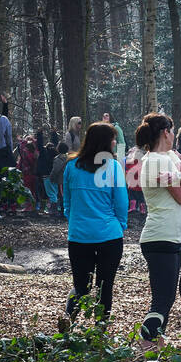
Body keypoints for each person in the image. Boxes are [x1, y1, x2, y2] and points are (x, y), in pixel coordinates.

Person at [134, 112, 181, 349]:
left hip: (164, 236)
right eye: (172, 130)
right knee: (163, 299)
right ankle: (145, 343)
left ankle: (154, 347)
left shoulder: (155, 158)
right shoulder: (160, 161)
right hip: (162, 237)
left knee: (164, 298)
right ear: (166, 133)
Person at [61, 122, 128, 321]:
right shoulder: (113, 167)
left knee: (80, 286)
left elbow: (67, 201)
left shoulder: (71, 166)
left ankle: (68, 321)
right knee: (105, 287)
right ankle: (100, 334)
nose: (115, 142)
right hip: (109, 236)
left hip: (79, 236)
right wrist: (120, 226)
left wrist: (74, 220)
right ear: (105, 142)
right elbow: (121, 203)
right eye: (113, 139)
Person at [36, 132, 56, 214]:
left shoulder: (44, 153)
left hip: (45, 175)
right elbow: (55, 143)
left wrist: (39, 134)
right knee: (53, 191)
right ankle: (51, 208)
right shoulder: (55, 154)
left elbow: (39, 145)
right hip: (53, 175)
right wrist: (54, 134)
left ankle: (49, 208)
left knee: (46, 192)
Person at [48, 142, 69, 217]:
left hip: (61, 179)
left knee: (62, 195)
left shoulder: (58, 158)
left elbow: (55, 169)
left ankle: (63, 211)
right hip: (68, 179)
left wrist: (51, 177)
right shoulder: (69, 157)